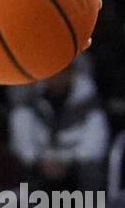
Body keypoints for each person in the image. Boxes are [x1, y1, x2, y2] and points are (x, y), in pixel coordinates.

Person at [8, 62, 110, 192]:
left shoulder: (89, 102)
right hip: (41, 164)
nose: (57, 78)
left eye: (62, 73)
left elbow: (95, 144)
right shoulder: (30, 102)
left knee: (91, 172)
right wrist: (38, 161)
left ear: (72, 74)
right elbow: (23, 139)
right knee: (23, 172)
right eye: (52, 74)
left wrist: (68, 163)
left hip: (76, 165)